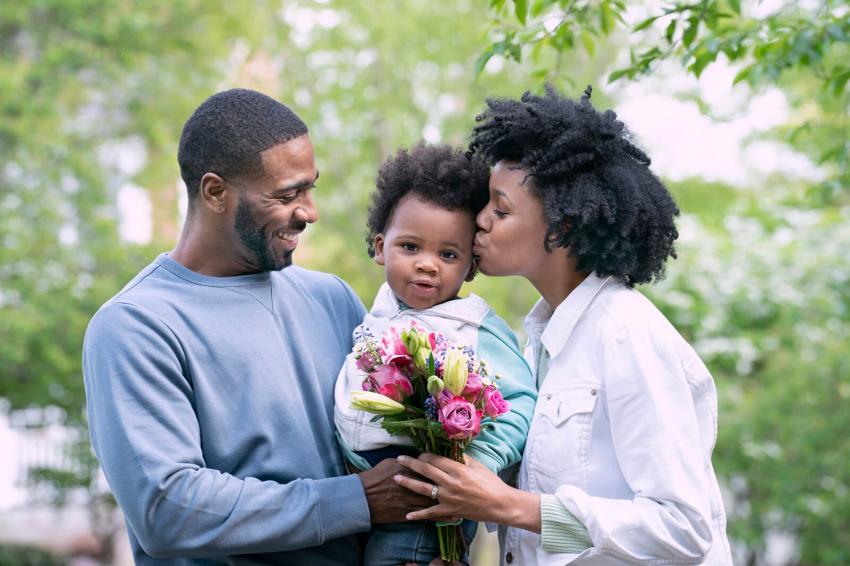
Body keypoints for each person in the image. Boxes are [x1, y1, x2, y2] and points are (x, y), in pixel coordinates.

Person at [82, 88, 433, 565]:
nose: (309, 211)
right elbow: (166, 508)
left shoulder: (332, 298)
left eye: (310, 188)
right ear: (214, 192)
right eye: (287, 195)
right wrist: (356, 501)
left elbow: (385, 449)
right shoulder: (136, 326)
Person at [394, 86, 734, 565]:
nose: (481, 221)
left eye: (501, 208)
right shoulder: (534, 348)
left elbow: (683, 526)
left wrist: (509, 505)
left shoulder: (626, 333)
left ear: (562, 227)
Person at [333, 143, 537, 566]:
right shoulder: (377, 313)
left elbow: (520, 401)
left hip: (426, 509)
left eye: (448, 255)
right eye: (410, 247)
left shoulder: (474, 326)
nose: (427, 265)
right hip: (359, 498)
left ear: (471, 267)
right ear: (379, 247)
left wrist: (474, 467)